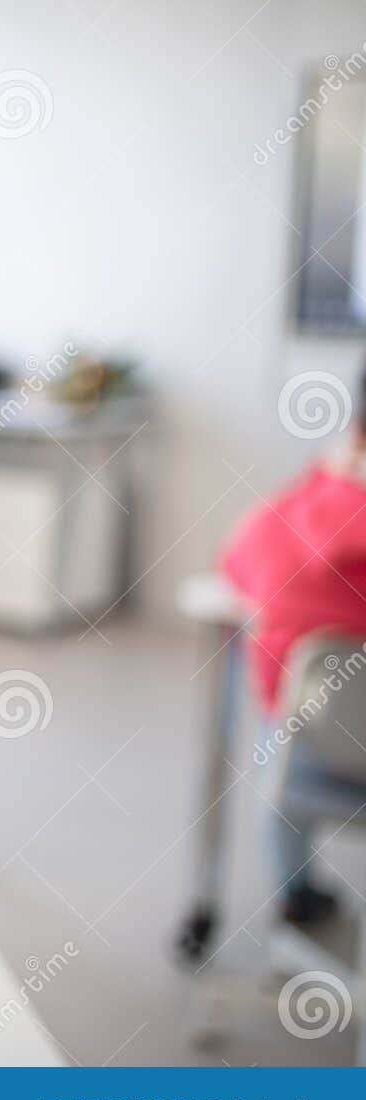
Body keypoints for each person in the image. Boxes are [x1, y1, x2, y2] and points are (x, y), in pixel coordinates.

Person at [221, 368, 366, 926]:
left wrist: (325, 482)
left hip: (310, 755)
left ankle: (295, 893)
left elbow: (232, 564)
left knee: (282, 715)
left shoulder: (289, 517)